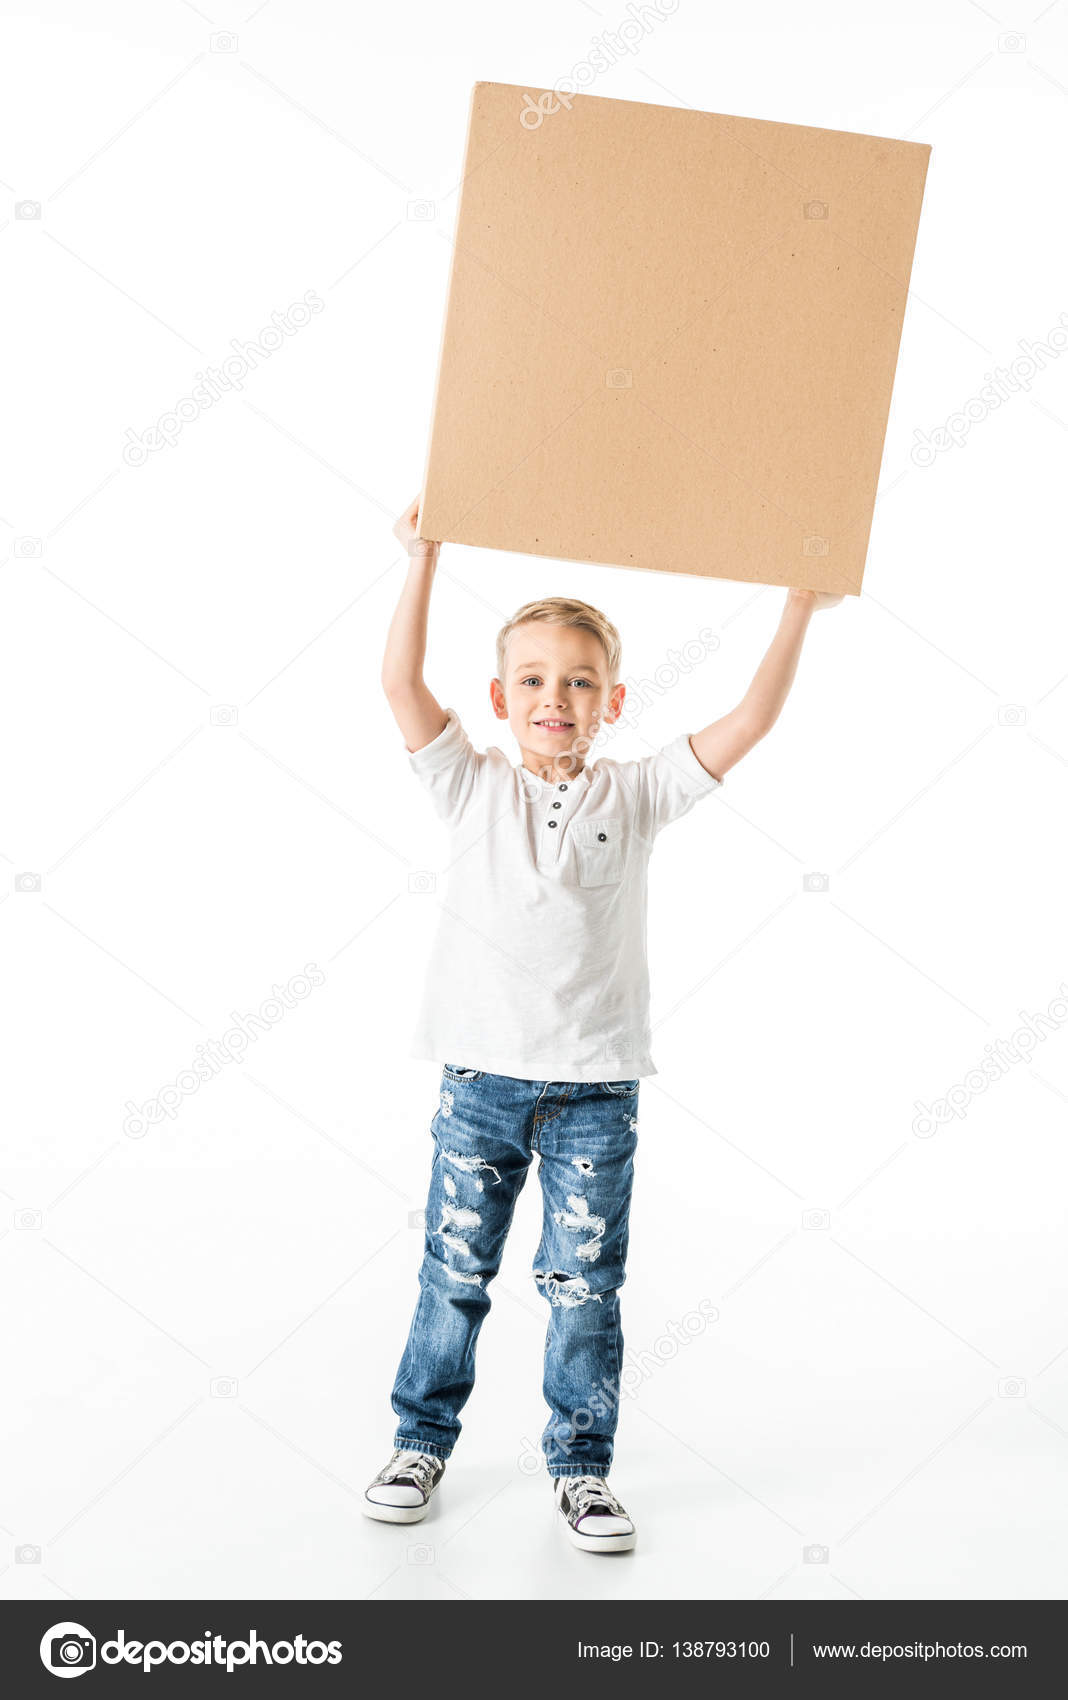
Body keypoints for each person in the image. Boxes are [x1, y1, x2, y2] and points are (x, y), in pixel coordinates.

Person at [362, 493, 841, 1553]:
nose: (555, 696)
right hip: (480, 1079)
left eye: (579, 681)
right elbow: (398, 683)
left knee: (586, 1283)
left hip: (594, 1088)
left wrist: (798, 606)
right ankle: (419, 1438)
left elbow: (751, 722)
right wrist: (423, 559)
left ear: (611, 699)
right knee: (454, 1268)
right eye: (532, 679)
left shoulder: (639, 793)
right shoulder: (468, 785)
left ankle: (581, 1467)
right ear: (498, 694)